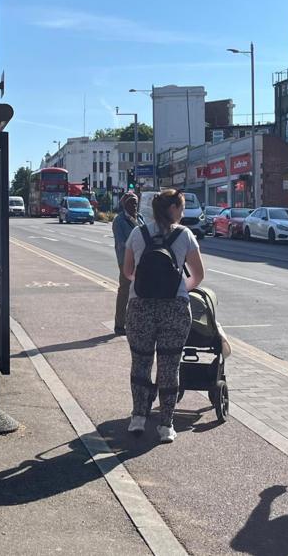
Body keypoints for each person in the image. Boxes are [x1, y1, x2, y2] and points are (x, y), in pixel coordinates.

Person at [122, 189, 205, 443]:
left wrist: (146, 285)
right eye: (180, 207)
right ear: (172, 209)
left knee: (141, 363)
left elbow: (127, 271)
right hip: (174, 310)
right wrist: (178, 289)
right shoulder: (185, 235)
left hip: (140, 308)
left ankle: (138, 417)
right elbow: (198, 275)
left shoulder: (138, 233)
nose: (182, 212)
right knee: (170, 366)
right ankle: (166, 425)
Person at [111, 194, 144, 336]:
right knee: (124, 291)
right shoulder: (119, 220)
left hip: (142, 260)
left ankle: (138, 322)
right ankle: (119, 325)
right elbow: (121, 243)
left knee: (140, 292)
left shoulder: (140, 217)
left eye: (136, 203)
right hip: (126, 261)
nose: (134, 206)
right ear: (124, 204)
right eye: (131, 203)